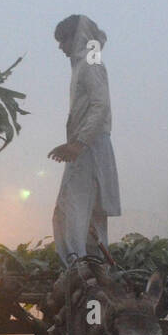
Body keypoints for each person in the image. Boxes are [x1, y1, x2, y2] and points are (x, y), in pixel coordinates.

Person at [48, 14, 121, 266]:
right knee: (88, 216)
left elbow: (100, 106)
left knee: (69, 212)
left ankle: (77, 269)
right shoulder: (83, 65)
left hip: (89, 146)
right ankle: (95, 268)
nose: (60, 47)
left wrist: (78, 143)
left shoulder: (90, 64)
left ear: (75, 37)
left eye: (63, 40)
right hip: (89, 144)